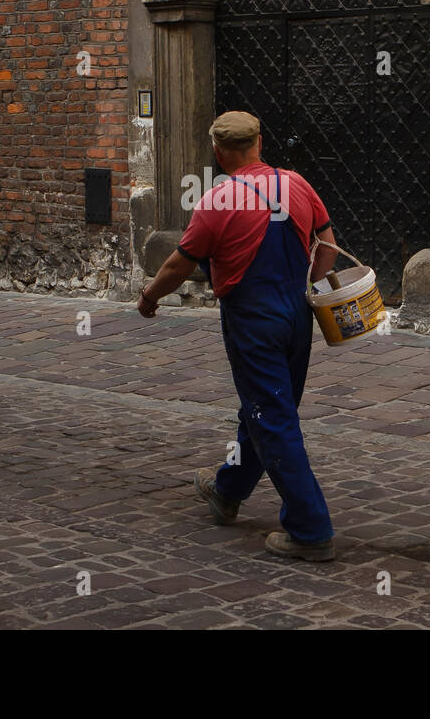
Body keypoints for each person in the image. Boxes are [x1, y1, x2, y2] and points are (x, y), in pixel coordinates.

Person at [138, 111, 340, 561]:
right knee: (267, 406)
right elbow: (325, 243)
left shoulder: (217, 199)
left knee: (274, 416)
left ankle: (311, 529)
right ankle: (228, 490)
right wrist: (312, 288)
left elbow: (179, 263)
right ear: (260, 141)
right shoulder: (296, 183)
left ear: (217, 150)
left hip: (252, 317)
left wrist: (149, 296)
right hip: (295, 313)